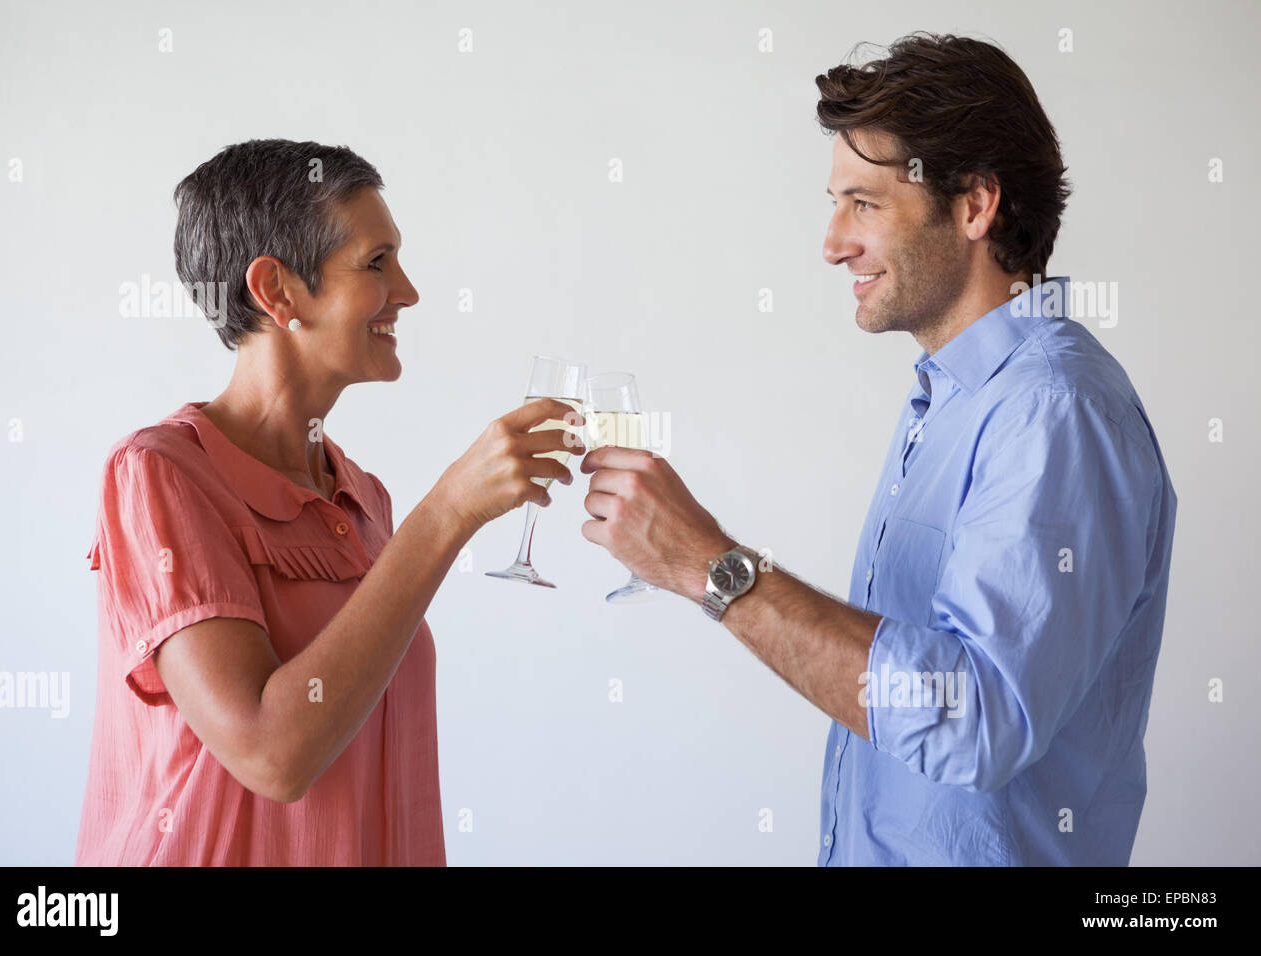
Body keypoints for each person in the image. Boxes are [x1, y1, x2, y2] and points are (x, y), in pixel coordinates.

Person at [578, 32, 1178, 865]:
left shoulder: (1054, 411)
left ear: (974, 206)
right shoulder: (953, 397)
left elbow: (976, 720)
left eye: (864, 203)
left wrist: (709, 566)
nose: (831, 242)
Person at [76, 139, 579, 865]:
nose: (407, 292)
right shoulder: (160, 475)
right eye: (377, 263)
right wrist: (448, 514)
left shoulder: (362, 497)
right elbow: (271, 754)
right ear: (277, 291)